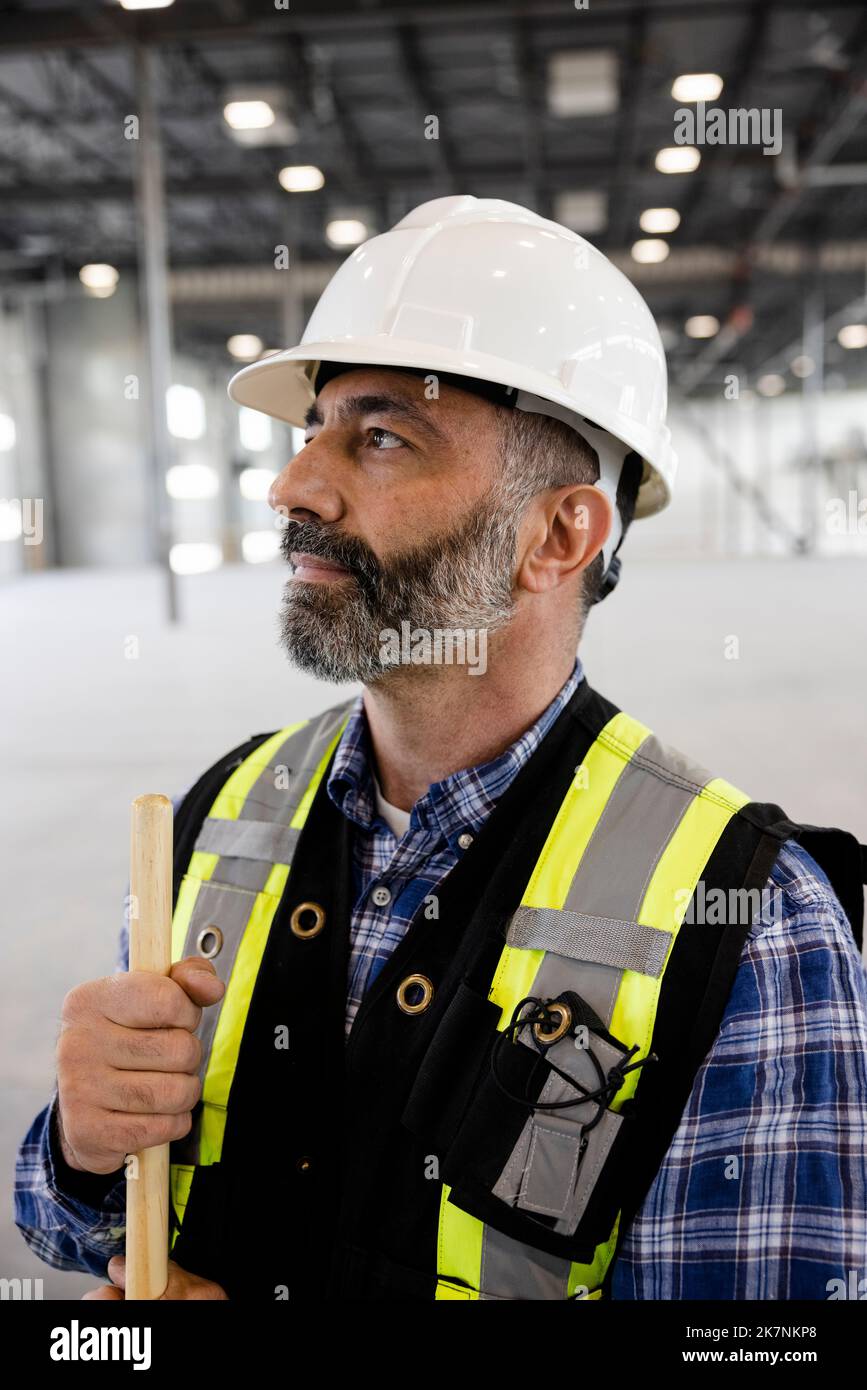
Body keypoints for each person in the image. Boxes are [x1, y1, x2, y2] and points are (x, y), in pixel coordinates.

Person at [15, 196, 867, 1301]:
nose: (293, 485)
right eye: (312, 431)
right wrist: (83, 1155)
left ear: (560, 534)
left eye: (380, 436)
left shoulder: (755, 927)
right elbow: (79, 1232)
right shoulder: (221, 814)